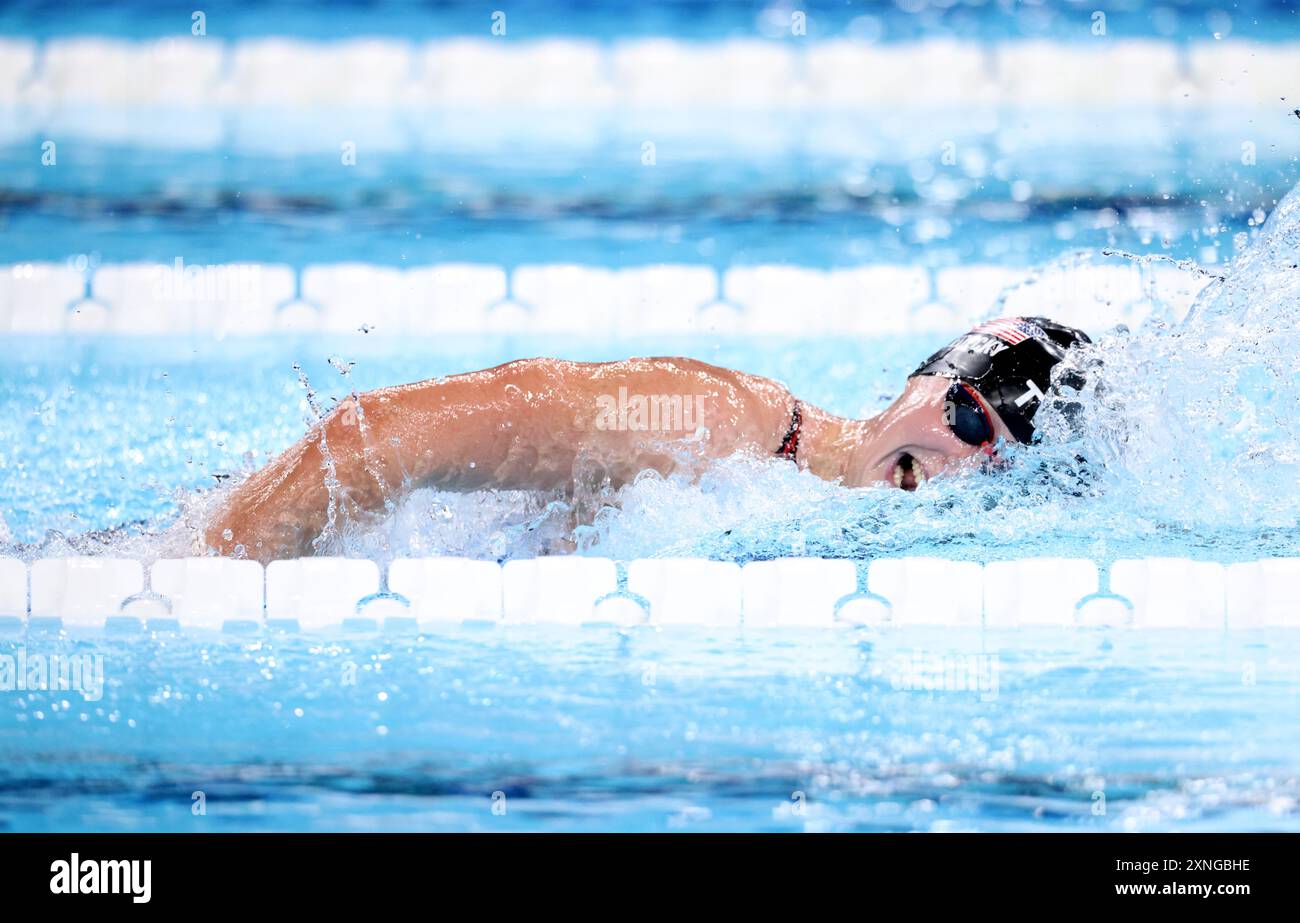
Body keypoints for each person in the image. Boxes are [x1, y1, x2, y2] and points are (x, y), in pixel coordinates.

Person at [204, 316, 1090, 562]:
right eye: (971, 413)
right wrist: (218, 579)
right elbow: (369, 437)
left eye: (1000, 462)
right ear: (923, 382)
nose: (958, 457)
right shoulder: (719, 423)